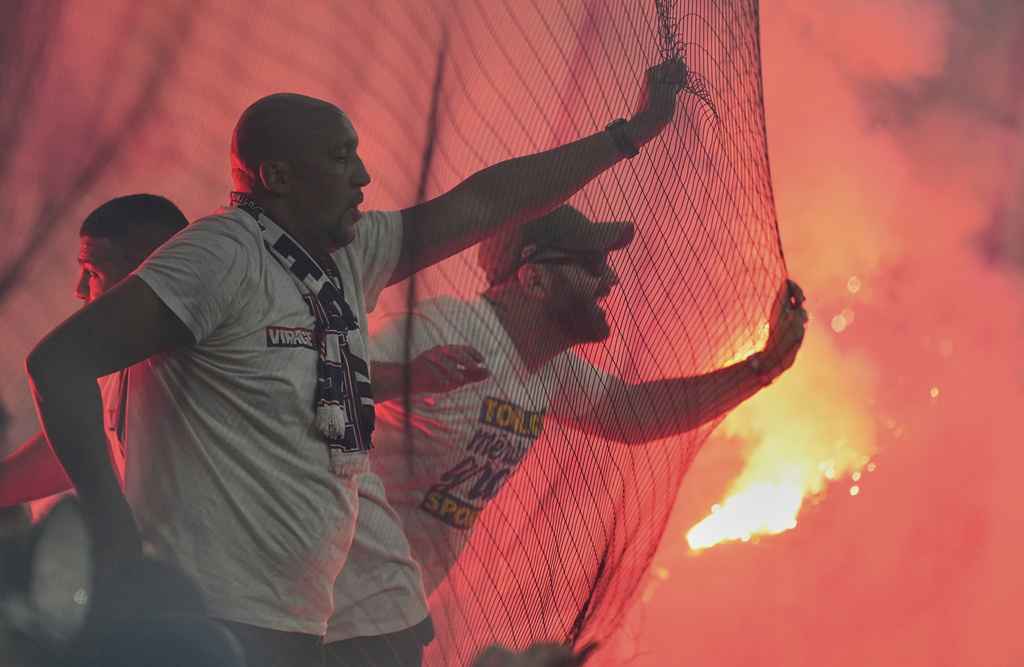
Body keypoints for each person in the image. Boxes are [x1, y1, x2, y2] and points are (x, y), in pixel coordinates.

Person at [26, 60, 688, 667]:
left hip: (303, 626)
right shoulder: (222, 255)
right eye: (341, 157)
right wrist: (113, 538)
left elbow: (485, 202)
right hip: (205, 627)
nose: (362, 176)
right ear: (275, 177)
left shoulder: (346, 252)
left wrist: (627, 137)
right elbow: (60, 363)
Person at [329, 204, 808, 621]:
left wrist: (763, 366)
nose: (610, 279)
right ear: (534, 278)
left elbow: (631, 413)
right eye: (591, 263)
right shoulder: (444, 327)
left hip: (384, 615)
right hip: (320, 599)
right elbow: (327, 380)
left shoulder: (550, 369)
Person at [0, 194, 188, 510]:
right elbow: (79, 446)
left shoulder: (194, 356)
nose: (79, 289)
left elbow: (53, 370)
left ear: (146, 273)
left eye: (92, 271)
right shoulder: (122, 362)